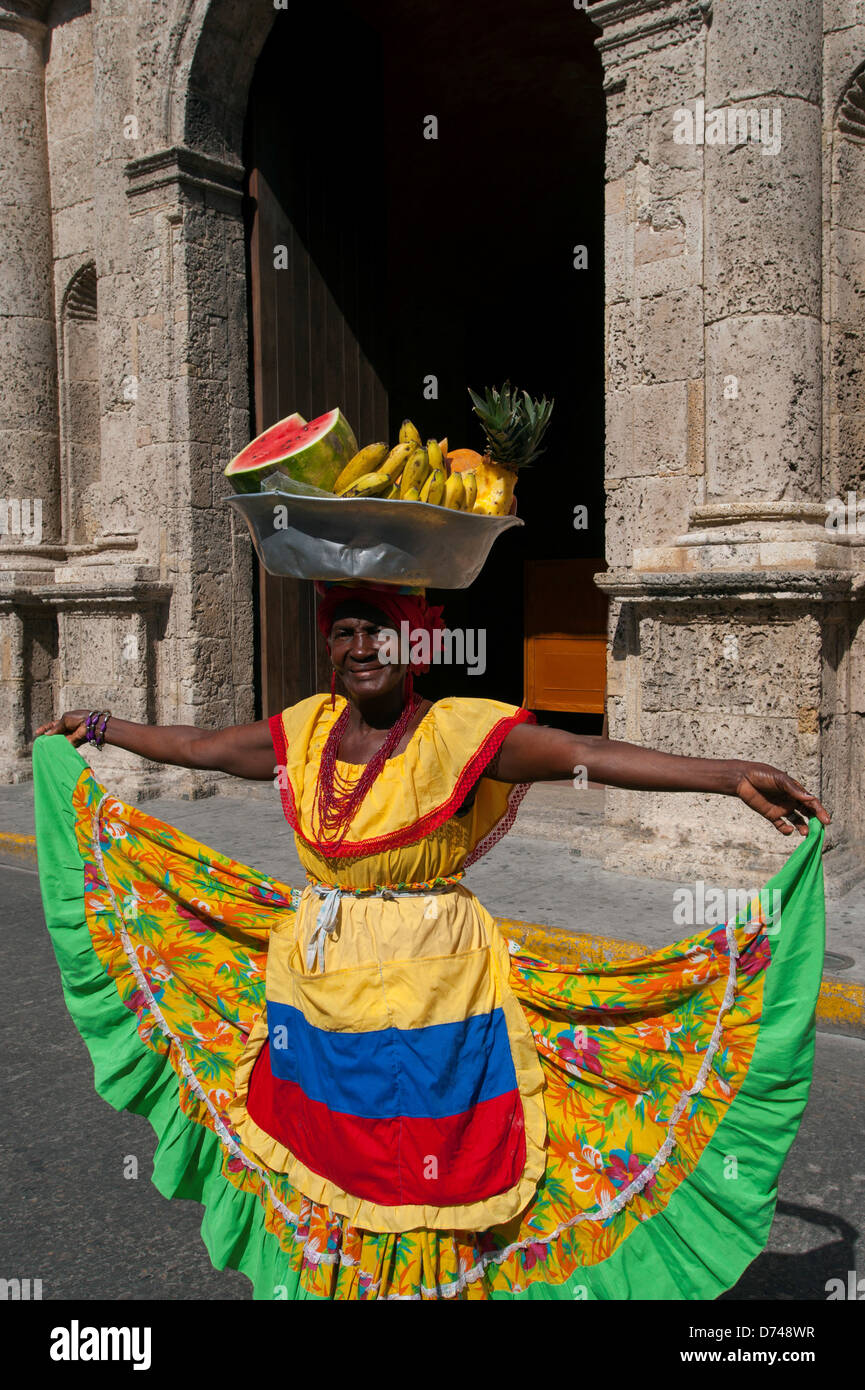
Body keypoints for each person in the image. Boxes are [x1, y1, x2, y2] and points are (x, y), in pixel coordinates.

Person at [33, 582, 829, 1301]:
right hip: (318, 990)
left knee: (434, 1156)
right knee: (336, 1148)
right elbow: (200, 747)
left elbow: (587, 754)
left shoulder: (459, 733)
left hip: (436, 997)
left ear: (417, 643)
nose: (361, 647)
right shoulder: (303, 731)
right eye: (343, 631)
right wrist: (102, 726)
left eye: (380, 630)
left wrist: (724, 775)